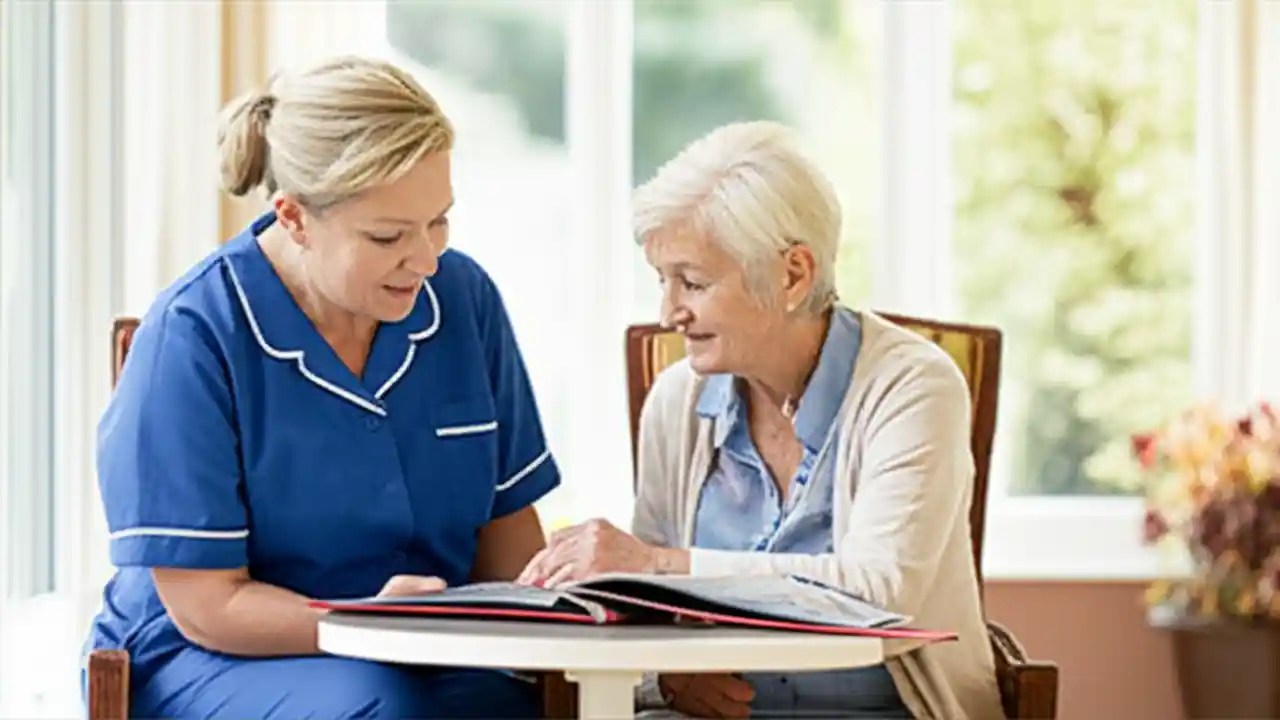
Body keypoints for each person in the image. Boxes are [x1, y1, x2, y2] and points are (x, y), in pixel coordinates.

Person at [84, 55, 559, 719]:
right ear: (294, 217)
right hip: (215, 654)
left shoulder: (463, 299)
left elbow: (509, 539)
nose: (425, 259)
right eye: (388, 235)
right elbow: (207, 605)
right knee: (376, 708)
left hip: (426, 651)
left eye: (439, 221)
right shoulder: (193, 334)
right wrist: (366, 623)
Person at [518, 121, 1005, 719]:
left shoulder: (912, 386)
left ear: (793, 274)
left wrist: (660, 564)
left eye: (692, 282)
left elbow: (880, 592)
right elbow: (641, 612)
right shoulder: (677, 400)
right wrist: (669, 676)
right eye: (662, 281)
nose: (669, 312)